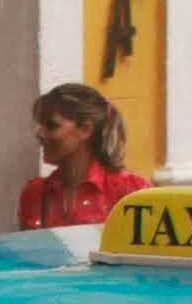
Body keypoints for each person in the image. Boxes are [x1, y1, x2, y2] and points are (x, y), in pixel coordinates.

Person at [17, 81, 142, 234]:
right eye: (40, 125)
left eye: (52, 125)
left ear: (86, 130)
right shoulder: (35, 193)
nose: (40, 133)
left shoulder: (130, 191)